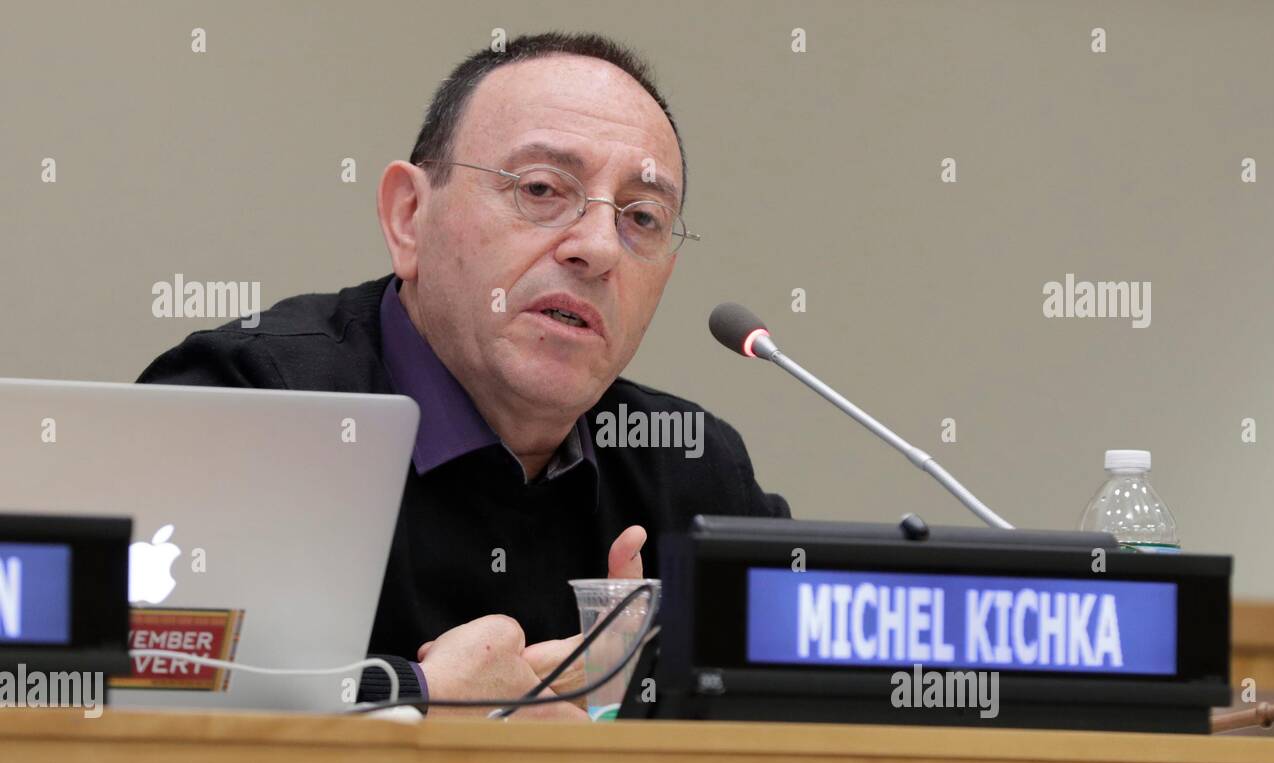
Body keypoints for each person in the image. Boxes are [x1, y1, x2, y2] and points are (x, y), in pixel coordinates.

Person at [138, 32, 789, 719]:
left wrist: (652, 715)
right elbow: (99, 678)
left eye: (642, 217)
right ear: (409, 217)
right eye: (541, 189)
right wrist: (416, 697)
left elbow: (831, 707)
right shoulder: (254, 400)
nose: (598, 248)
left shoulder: (690, 468)